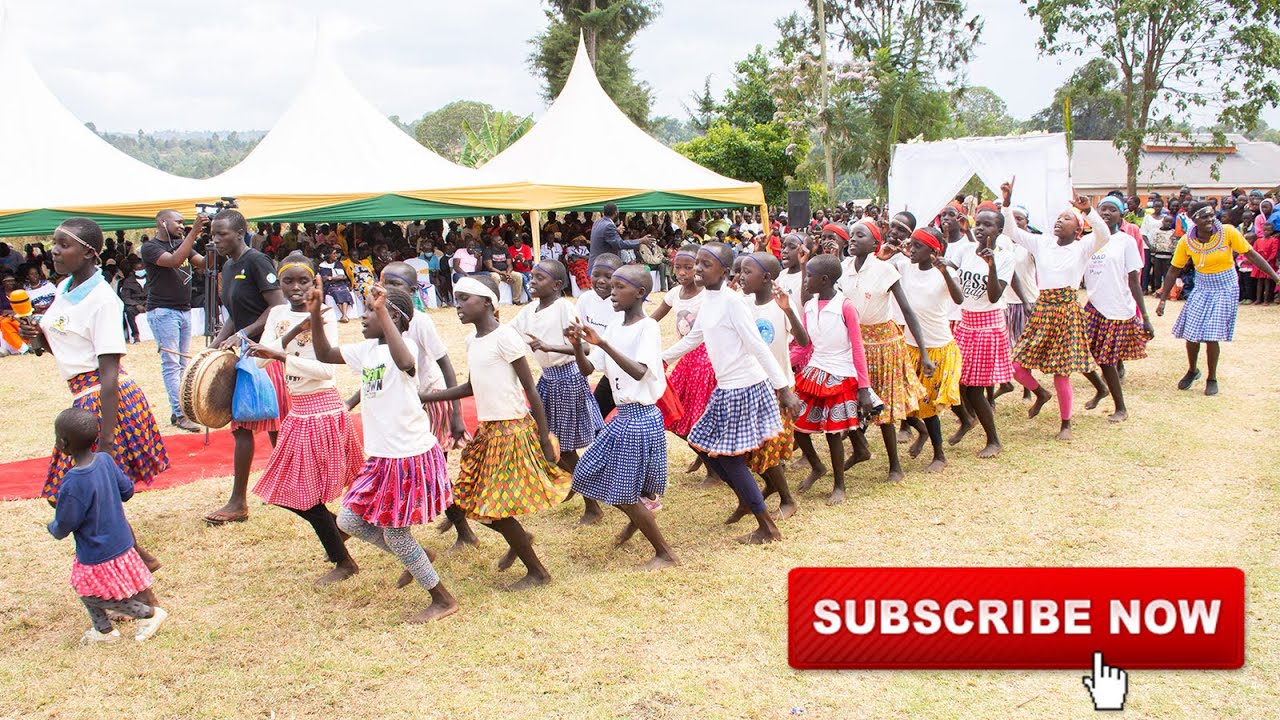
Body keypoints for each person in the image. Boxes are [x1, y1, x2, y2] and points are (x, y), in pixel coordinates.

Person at [19, 218, 168, 575]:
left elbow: (109, 370)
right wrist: (34, 335)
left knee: (68, 491)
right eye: (54, 243)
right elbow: (63, 348)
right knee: (91, 491)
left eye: (63, 245)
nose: (54, 251)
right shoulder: (64, 288)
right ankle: (137, 560)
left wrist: (107, 441)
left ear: (88, 252)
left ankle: (127, 563)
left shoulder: (103, 300)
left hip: (104, 399)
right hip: (84, 396)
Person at [308, 280, 459, 622]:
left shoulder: (404, 347)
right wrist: (315, 313)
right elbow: (324, 354)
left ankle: (442, 599)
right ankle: (419, 557)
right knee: (349, 520)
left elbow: (405, 362)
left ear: (394, 316)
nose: (363, 316)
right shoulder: (367, 352)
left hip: (408, 456)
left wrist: (382, 311)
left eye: (370, 311)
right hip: (382, 457)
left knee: (395, 533)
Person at [422, 276, 572, 591]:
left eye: (465, 299)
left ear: (487, 303)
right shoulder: (472, 341)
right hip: (490, 430)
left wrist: (545, 438)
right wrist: (425, 397)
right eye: (456, 299)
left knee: (494, 506)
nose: (458, 306)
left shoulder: (505, 338)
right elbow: (470, 386)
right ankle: (520, 539)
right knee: (470, 498)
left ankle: (537, 571)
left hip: (511, 430)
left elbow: (530, 389)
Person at [662, 243, 805, 544]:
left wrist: (784, 389)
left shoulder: (733, 302)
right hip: (726, 388)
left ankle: (766, 526)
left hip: (745, 387)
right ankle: (753, 504)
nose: (698, 269)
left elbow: (757, 346)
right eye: (697, 262)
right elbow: (694, 337)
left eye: (706, 264)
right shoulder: (710, 300)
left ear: (725, 271)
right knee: (704, 445)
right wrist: (660, 359)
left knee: (728, 458)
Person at [244, 254, 364, 584]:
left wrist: (281, 355)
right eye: (288, 281)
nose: (296, 288)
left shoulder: (324, 313)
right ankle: (339, 533)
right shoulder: (278, 314)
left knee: (304, 495)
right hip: (298, 410)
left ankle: (343, 560)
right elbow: (259, 361)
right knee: (291, 493)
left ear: (314, 283)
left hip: (322, 409)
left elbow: (327, 370)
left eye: (303, 281)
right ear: (278, 283)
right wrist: (292, 333)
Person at [565, 265, 679, 569]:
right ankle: (641, 520)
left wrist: (603, 343)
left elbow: (641, 371)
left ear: (639, 293)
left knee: (623, 491)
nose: (612, 292)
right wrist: (577, 347)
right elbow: (590, 368)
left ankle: (665, 553)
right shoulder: (615, 325)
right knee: (595, 476)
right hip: (625, 416)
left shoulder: (647, 328)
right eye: (611, 287)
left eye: (619, 287)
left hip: (640, 417)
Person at [46, 407, 169, 644]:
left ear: (63, 443)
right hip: (123, 543)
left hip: (97, 552)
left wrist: (53, 527)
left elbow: (65, 524)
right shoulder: (104, 460)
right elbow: (127, 491)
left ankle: (148, 614)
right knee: (88, 587)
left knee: (88, 592)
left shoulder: (72, 482)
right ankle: (103, 631)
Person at [1002, 181, 1110, 441]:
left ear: (1078, 230)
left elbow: (1104, 235)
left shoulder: (1082, 247)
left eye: (1067, 218)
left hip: (1067, 312)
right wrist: (1006, 204)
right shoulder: (1043, 243)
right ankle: (1040, 393)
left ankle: (1066, 424)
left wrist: (1088, 210)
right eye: (1058, 218)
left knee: (1062, 374)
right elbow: (1011, 231)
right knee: (1015, 365)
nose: (1060, 221)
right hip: (1043, 309)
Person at [205, 210, 287, 525]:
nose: (215, 240)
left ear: (240, 233)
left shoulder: (256, 262)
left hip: (262, 353)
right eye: (213, 234)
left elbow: (277, 306)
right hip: (244, 352)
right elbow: (234, 312)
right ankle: (262, 494)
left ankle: (242, 501)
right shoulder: (228, 266)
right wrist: (219, 341)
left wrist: (244, 335)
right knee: (249, 426)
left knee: (266, 425)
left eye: (221, 234)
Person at [511, 259, 606, 525]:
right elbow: (508, 333)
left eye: (539, 278)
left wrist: (549, 346)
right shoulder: (529, 311)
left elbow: (584, 348)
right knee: (548, 443)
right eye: (531, 276)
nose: (532, 281)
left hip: (567, 379)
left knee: (563, 448)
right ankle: (575, 484)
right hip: (548, 380)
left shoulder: (564, 307)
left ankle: (592, 504)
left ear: (557, 285)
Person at [1156, 201, 1280, 395]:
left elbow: (1251, 254)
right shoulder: (1187, 241)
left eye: (1212, 215)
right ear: (1194, 219)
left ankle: (1212, 377)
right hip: (1202, 286)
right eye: (1204, 217)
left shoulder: (1228, 232)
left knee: (1211, 335)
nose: (1210, 219)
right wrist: (1163, 299)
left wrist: (1276, 277)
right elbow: (1174, 269)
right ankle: (1192, 370)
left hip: (1225, 287)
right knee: (1191, 333)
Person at [840, 219, 930, 483]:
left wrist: (923, 353)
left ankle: (895, 466)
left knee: (884, 406)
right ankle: (861, 449)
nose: (853, 239)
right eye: (851, 234)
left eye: (860, 235)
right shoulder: (843, 269)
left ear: (874, 244)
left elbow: (908, 312)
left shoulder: (885, 270)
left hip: (883, 344)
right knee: (851, 399)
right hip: (854, 343)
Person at [791, 253, 874, 503]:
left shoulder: (845, 306)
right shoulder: (809, 306)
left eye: (810, 276)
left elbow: (857, 348)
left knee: (833, 432)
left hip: (840, 373)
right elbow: (805, 345)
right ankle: (817, 466)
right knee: (796, 423)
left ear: (825, 279)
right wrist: (783, 363)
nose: (805, 281)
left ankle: (839, 485)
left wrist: (863, 388)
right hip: (816, 369)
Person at [735, 252, 808, 521]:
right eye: (740, 271)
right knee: (752, 447)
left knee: (770, 446)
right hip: (750, 384)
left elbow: (803, 340)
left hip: (778, 387)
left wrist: (788, 309)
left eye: (747, 272)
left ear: (766, 277)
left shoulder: (781, 305)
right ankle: (767, 488)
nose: (741, 277)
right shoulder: (742, 305)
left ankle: (788, 500)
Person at [945, 204, 1015, 458]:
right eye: (979, 223)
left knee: (975, 389)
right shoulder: (965, 250)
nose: (981, 228)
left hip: (988, 327)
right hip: (966, 323)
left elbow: (994, 296)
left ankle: (993, 440)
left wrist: (991, 265)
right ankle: (967, 419)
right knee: (956, 381)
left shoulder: (1005, 257)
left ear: (999, 230)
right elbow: (949, 268)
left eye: (988, 224)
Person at [896, 228, 964, 472]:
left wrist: (945, 273)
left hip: (937, 348)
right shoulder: (904, 267)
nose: (912, 250)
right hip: (910, 346)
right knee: (905, 400)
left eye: (918, 246)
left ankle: (939, 455)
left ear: (933, 250)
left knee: (929, 405)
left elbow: (959, 299)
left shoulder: (944, 272)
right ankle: (924, 433)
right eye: (911, 244)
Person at [649, 245, 718, 484]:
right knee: (673, 411)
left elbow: (701, 336)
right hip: (686, 358)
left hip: (705, 360)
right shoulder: (674, 294)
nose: (682, 272)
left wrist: (665, 356)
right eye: (677, 267)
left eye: (688, 267)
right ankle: (703, 454)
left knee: (698, 415)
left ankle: (714, 470)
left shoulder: (707, 296)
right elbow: (652, 320)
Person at [1082, 206, 1155, 423]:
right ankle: (1101, 389)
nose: (1106, 213)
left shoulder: (1126, 241)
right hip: (1094, 306)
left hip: (1117, 309)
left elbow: (1134, 281)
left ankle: (1120, 408)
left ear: (1121, 216)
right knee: (1076, 351)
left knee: (1107, 361)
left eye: (1112, 209)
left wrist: (1145, 317)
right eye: (1102, 209)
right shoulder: (1088, 241)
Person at [139, 211, 207, 432]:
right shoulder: (150, 247)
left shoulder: (181, 243)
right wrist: (194, 232)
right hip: (163, 311)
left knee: (182, 364)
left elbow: (204, 263)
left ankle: (181, 410)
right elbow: (175, 260)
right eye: (177, 222)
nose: (181, 225)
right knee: (171, 364)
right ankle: (180, 414)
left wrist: (218, 244)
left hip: (183, 310)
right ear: (162, 222)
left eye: (183, 222)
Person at [577, 254, 625, 418]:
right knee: (594, 417)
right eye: (596, 275)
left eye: (608, 276)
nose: (601, 281)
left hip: (626, 372)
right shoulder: (585, 299)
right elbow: (577, 331)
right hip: (608, 372)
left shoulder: (624, 303)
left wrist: (589, 363)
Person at [589, 202, 653, 270]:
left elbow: (603, 235)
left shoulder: (597, 222)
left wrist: (616, 230)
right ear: (616, 213)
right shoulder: (609, 226)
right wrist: (641, 241)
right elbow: (620, 244)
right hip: (603, 267)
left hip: (595, 265)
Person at [318, 246, 355, 323]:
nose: (336, 255)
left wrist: (330, 278)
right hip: (329, 285)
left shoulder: (338, 264)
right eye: (334, 253)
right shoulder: (322, 266)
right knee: (336, 292)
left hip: (341, 283)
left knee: (344, 291)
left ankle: (344, 315)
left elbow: (343, 276)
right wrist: (334, 278)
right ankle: (344, 315)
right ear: (328, 255)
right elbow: (323, 278)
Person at [483, 236, 525, 304]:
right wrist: (502, 273)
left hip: (505, 271)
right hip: (493, 272)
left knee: (518, 276)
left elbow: (510, 264)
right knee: (495, 277)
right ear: (493, 242)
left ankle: (516, 300)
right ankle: (494, 300)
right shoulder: (487, 251)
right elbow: (490, 267)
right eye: (499, 240)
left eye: (501, 240)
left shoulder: (505, 250)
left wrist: (508, 273)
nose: (501, 242)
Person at [116, 256, 146, 345]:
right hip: (135, 304)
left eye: (142, 269)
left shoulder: (151, 279)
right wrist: (136, 305)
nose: (141, 271)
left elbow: (155, 293)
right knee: (129, 311)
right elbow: (126, 297)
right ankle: (136, 336)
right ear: (134, 270)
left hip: (150, 303)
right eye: (138, 269)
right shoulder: (128, 281)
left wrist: (149, 303)